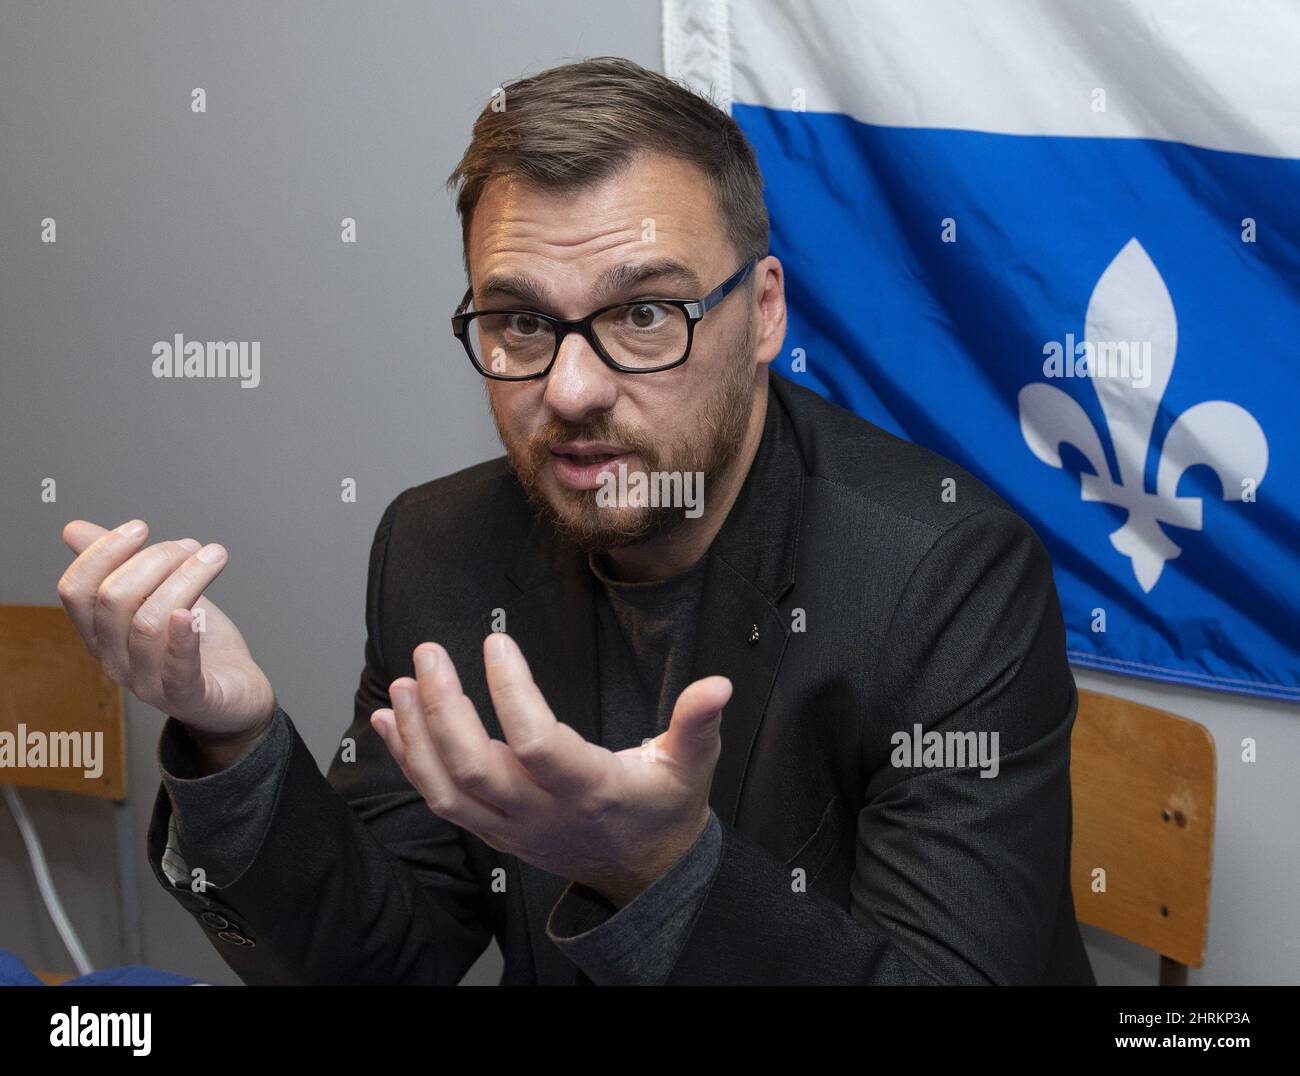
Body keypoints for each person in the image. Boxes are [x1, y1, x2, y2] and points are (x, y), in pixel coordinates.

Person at [56, 56, 1095, 985]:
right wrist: (234, 739)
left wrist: (652, 871)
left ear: (764, 312)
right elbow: (377, 957)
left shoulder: (945, 574)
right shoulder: (438, 546)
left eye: (643, 312)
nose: (572, 388)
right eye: (519, 321)